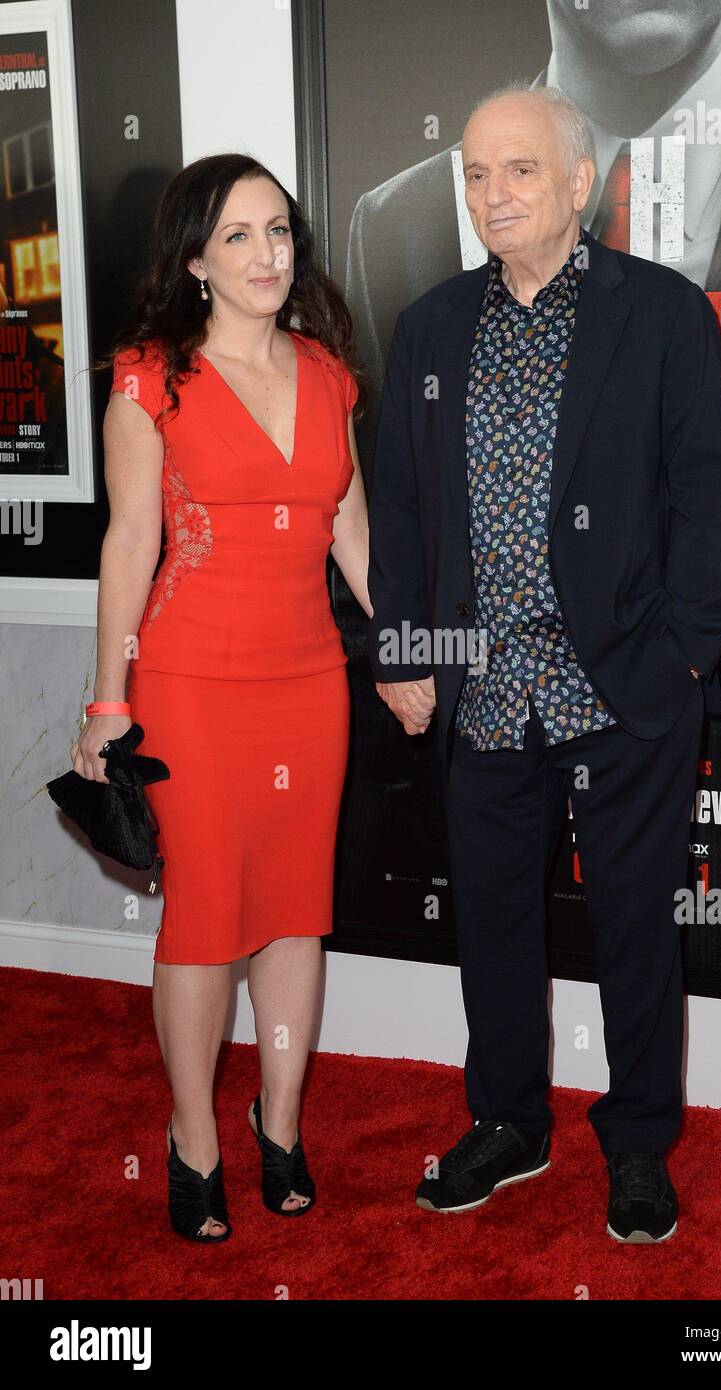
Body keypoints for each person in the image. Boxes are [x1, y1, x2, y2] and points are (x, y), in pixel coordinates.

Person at [367, 85, 721, 1240]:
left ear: (579, 181)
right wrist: (403, 643)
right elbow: (400, 505)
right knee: (489, 922)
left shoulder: (661, 312)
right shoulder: (430, 325)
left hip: (623, 684)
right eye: (475, 173)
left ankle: (636, 1144)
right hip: (480, 688)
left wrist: (686, 652)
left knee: (634, 924)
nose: (492, 194)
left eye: (519, 169)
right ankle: (507, 1122)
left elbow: (709, 487)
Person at [72, 154, 372, 1242]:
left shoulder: (328, 374)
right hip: (191, 683)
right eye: (237, 236)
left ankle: (278, 1121)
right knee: (204, 919)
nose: (265, 254)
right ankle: (193, 1134)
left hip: (309, 682)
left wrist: (403, 649)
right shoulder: (150, 378)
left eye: (278, 231)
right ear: (195, 260)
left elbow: (349, 528)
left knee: (293, 911)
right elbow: (129, 543)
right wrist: (109, 702)